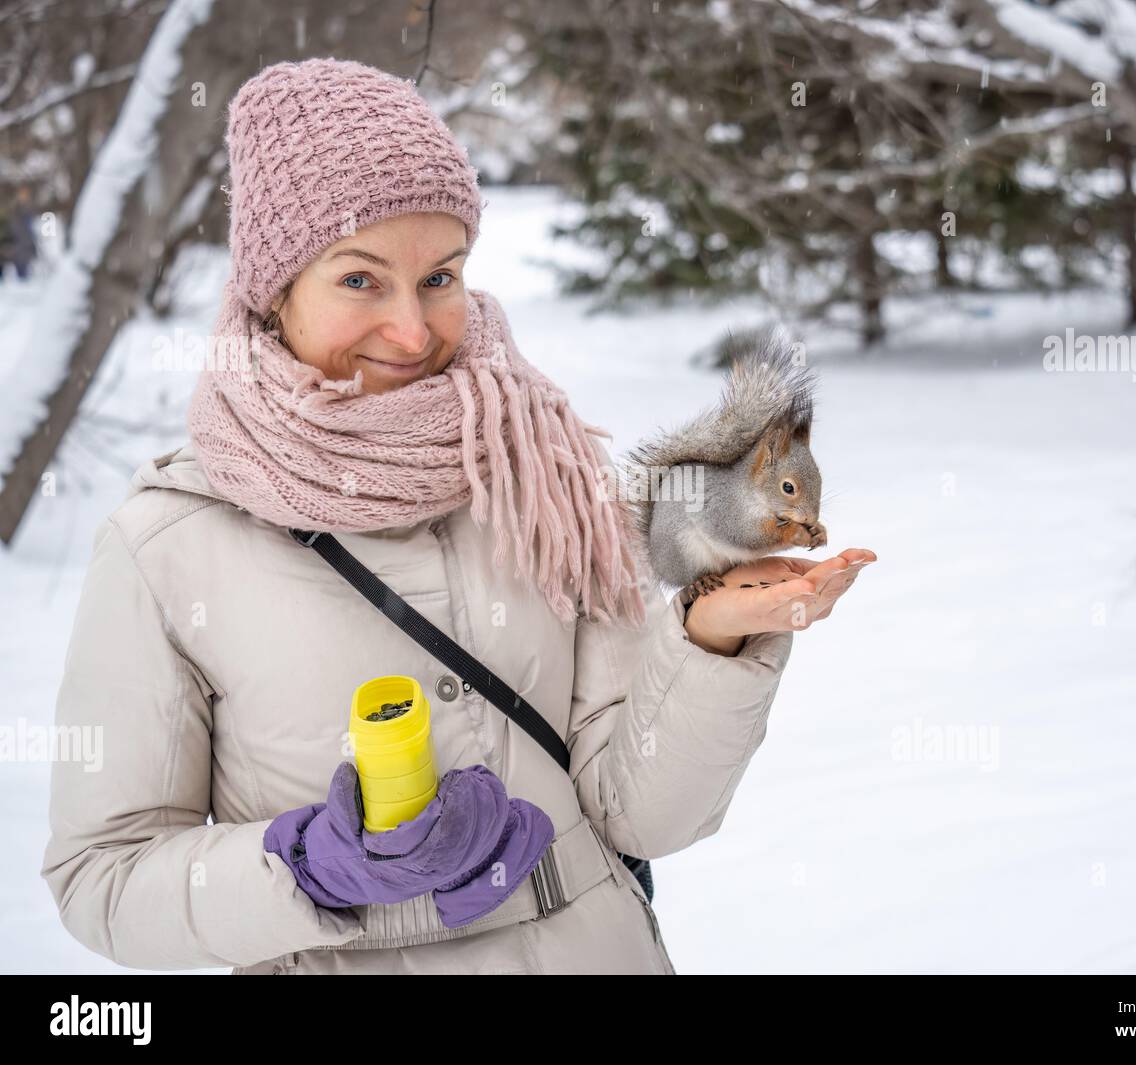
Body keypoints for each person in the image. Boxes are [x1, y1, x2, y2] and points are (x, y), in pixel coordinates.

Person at [40, 58, 870, 975]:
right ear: (273, 290)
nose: (412, 330)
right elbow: (101, 879)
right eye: (361, 280)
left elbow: (643, 814)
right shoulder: (167, 546)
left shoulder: (546, 473)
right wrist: (306, 867)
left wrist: (712, 641)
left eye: (440, 276)